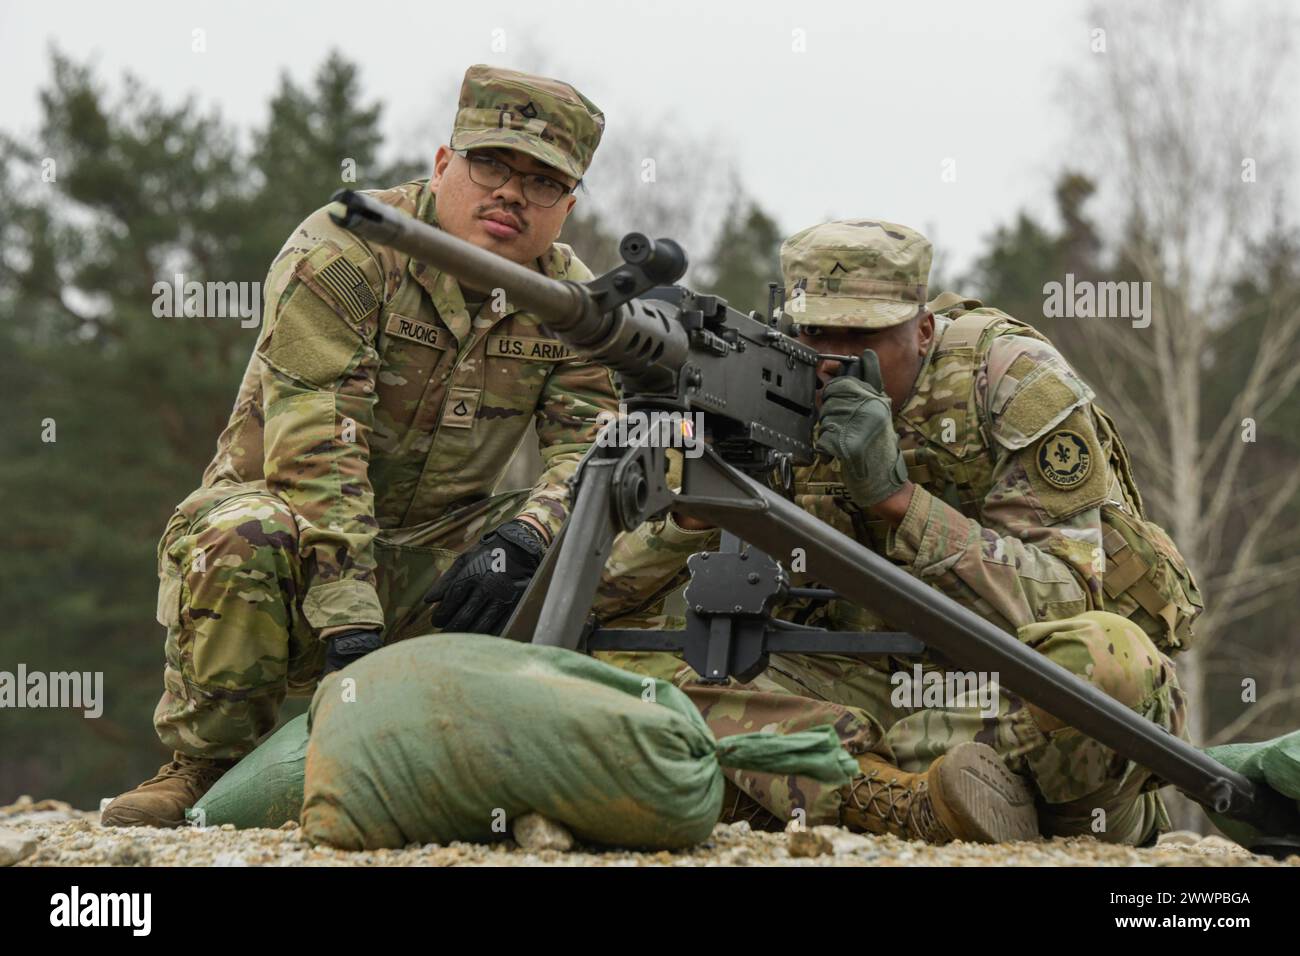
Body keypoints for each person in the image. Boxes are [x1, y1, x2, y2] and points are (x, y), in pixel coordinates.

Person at [102, 65, 616, 828]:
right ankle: (203, 763)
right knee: (240, 531)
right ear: (445, 165)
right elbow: (316, 442)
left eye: (542, 182)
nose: (511, 192)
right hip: (296, 547)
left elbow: (593, 445)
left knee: (623, 540)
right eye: (491, 164)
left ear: (567, 208)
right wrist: (349, 620)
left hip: (440, 560)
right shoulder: (348, 248)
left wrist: (525, 537)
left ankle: (555, 759)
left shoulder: (574, 304)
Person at [599, 219, 1201, 845]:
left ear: (921, 330)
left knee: (1114, 662)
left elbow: (1069, 595)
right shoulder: (765, 380)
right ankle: (898, 798)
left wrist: (898, 501)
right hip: (845, 693)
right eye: (814, 332)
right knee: (621, 674)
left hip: (995, 693)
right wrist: (698, 512)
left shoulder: (1009, 381)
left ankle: (1032, 815)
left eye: (862, 335)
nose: (832, 358)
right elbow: (605, 593)